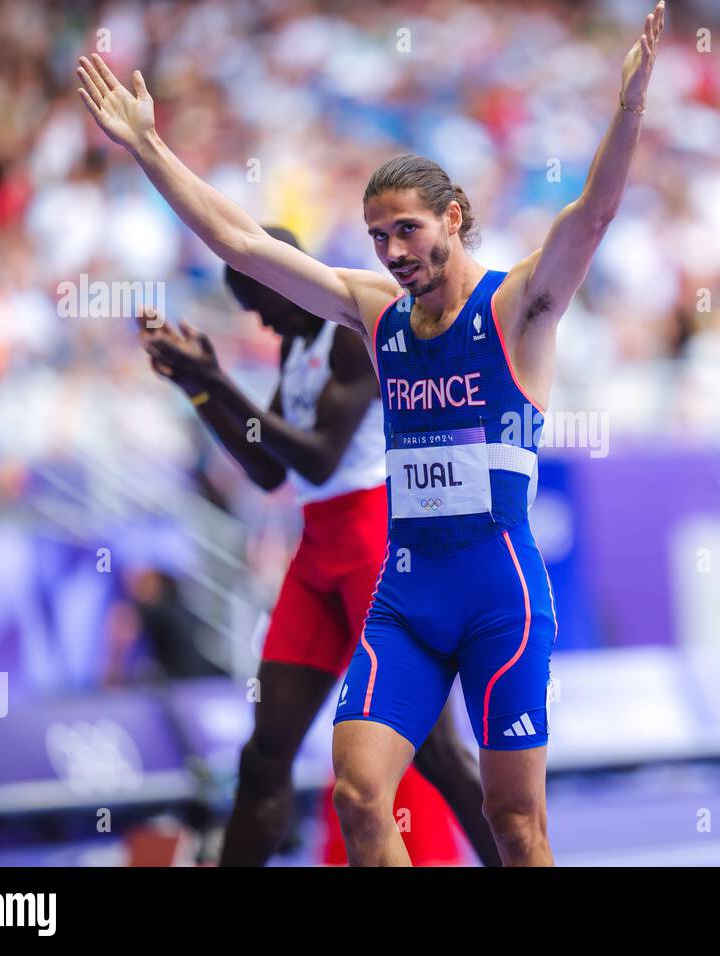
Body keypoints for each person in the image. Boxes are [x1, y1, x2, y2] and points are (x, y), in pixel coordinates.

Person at [78, 0, 664, 865]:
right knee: (359, 794)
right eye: (378, 236)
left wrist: (631, 106)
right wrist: (148, 148)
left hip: (500, 595)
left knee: (514, 824)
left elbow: (597, 211)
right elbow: (241, 242)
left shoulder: (519, 305)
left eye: (408, 232)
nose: (392, 252)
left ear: (455, 217)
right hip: (405, 595)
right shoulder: (375, 315)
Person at [135, 225, 499, 867]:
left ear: (286, 279)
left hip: (376, 551)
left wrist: (215, 381)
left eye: (264, 304)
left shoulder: (352, 336)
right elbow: (270, 468)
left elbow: (321, 457)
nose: (265, 325)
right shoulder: (298, 345)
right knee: (265, 753)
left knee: (438, 752)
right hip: (319, 552)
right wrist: (196, 385)